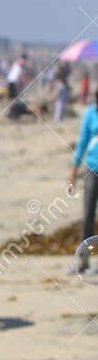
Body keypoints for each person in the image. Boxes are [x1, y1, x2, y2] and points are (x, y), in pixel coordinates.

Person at [69, 89, 98, 272]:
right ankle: (83, 260)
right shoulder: (90, 114)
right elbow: (82, 143)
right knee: (88, 214)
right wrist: (73, 170)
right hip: (92, 169)